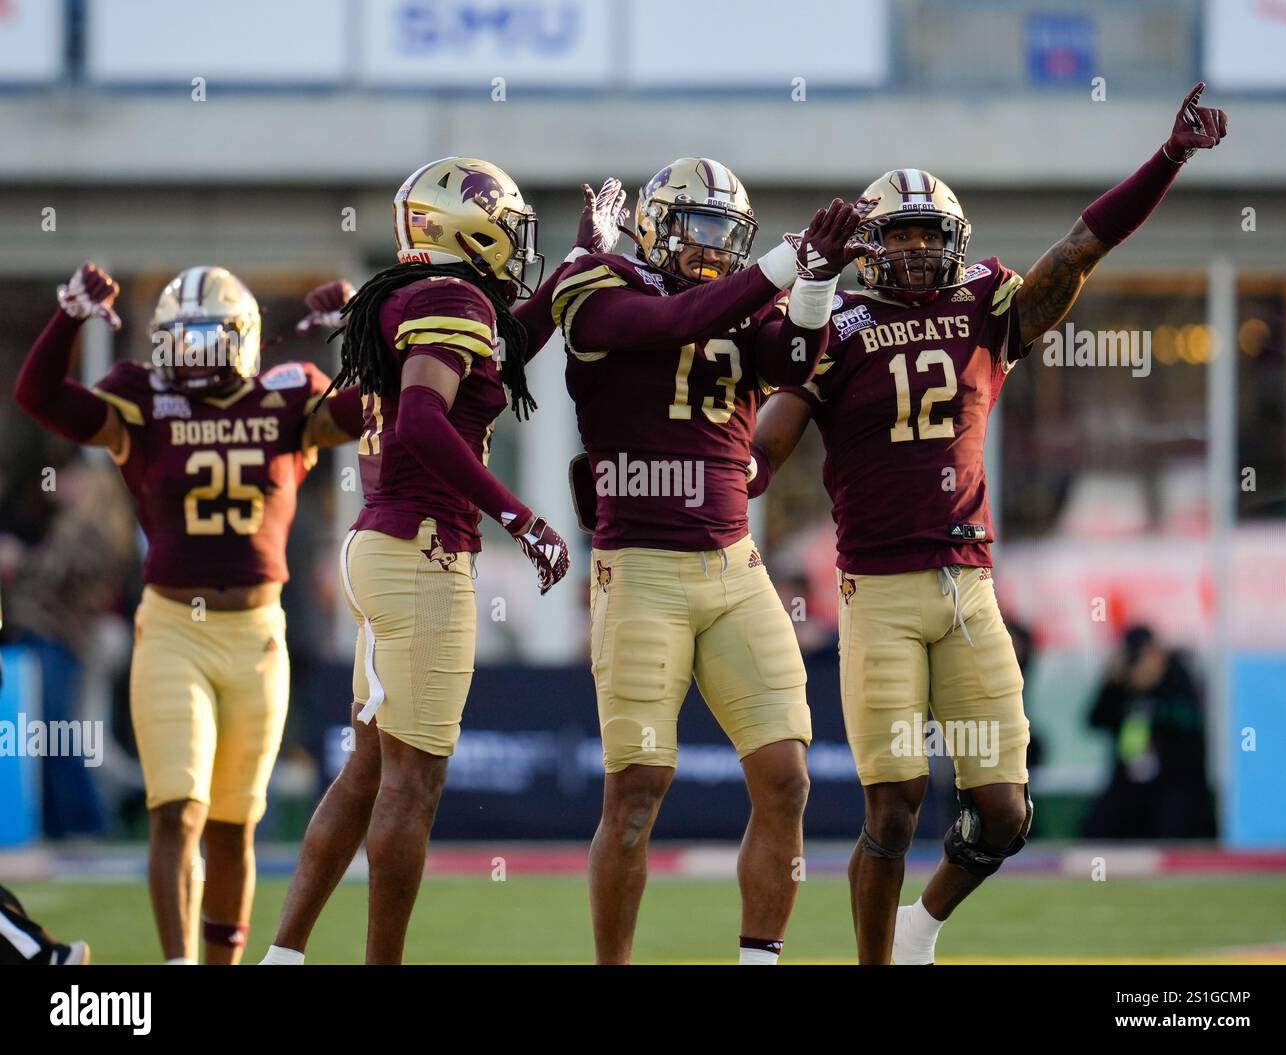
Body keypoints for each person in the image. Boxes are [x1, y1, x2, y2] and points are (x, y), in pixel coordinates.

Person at [749, 84, 1227, 963]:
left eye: (931, 237)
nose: (920, 252)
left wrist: (1169, 158)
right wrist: (724, 474)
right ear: (871, 249)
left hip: (968, 588)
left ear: (954, 242)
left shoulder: (986, 306)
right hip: (881, 591)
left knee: (1005, 811)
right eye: (901, 237)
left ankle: (921, 923)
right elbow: (764, 448)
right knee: (891, 801)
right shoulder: (834, 330)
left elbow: (1086, 245)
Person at [261, 162, 624, 965]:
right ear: (468, 225)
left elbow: (514, 338)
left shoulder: (423, 296)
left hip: (382, 547)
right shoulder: (452, 300)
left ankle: (283, 956)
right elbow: (423, 422)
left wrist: (575, 261)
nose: (517, 244)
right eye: (510, 226)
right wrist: (522, 518)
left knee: (365, 773)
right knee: (411, 784)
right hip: (422, 556)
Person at [553, 156, 861, 964]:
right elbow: (668, 326)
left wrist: (818, 281)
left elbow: (794, 364)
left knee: (787, 774)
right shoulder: (598, 286)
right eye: (697, 226)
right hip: (641, 568)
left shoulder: (745, 297)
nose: (712, 246)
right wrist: (784, 267)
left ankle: (759, 959)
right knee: (636, 794)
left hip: (733, 565)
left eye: (727, 233)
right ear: (654, 227)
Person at [15, 264, 366, 964]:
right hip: (173, 627)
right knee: (178, 808)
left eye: (209, 336)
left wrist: (358, 330)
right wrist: (69, 316)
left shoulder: (289, 392)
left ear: (244, 338)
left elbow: (372, 407)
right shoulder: (140, 399)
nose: (195, 351)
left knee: (235, 827)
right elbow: (39, 394)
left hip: (259, 635)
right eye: (181, 337)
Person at [1082, 625, 1214, 838]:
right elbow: (1094, 721)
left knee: (1171, 826)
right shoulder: (1120, 685)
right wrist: (1110, 683)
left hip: (1171, 784)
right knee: (1097, 830)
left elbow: (1192, 723)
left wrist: (1157, 697)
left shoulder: (1176, 675)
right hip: (1127, 784)